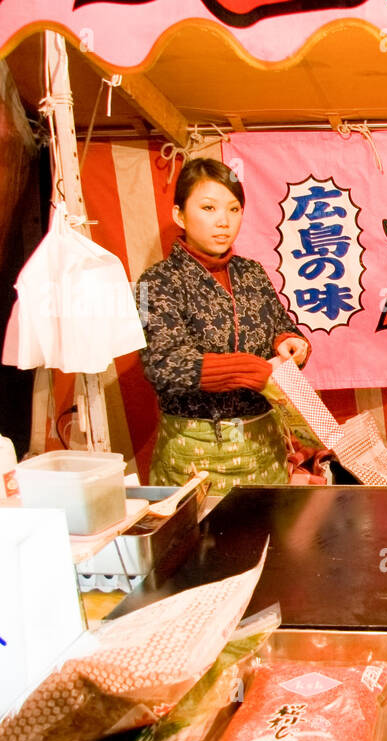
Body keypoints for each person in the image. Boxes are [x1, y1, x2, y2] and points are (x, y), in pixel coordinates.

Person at [137, 158, 312, 494]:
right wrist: (251, 370)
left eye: (234, 210)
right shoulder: (154, 283)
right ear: (179, 215)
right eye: (208, 207)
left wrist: (291, 343)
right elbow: (163, 365)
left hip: (264, 448)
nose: (223, 222)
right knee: (201, 546)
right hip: (194, 453)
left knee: (267, 540)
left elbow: (281, 326)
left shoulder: (252, 273)